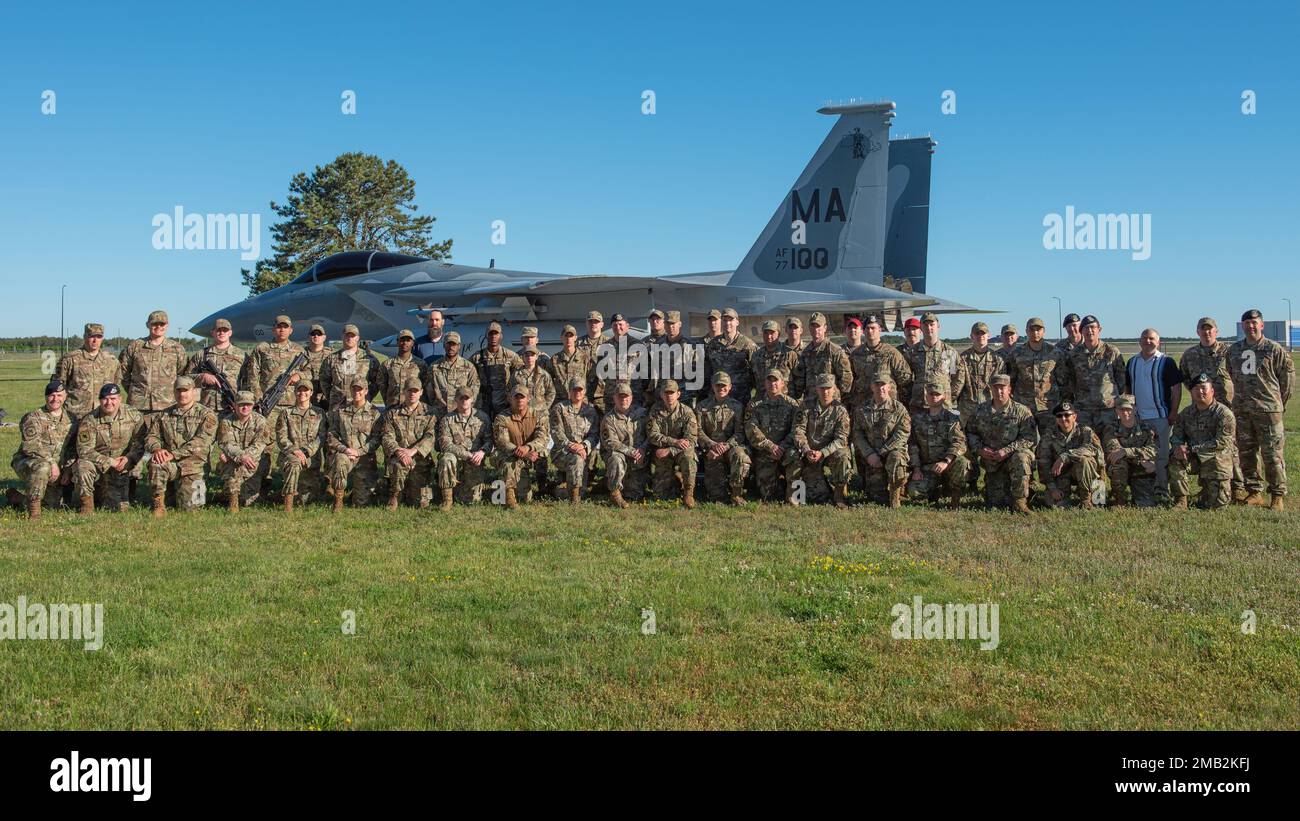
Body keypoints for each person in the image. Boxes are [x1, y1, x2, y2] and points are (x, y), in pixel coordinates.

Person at [1227, 308, 1293, 510]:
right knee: (1247, 454)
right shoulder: (1235, 350)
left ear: (1262, 325)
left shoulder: (1274, 349)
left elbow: (1287, 380)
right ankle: (1254, 491)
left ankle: (1277, 495)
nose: (1250, 326)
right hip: (1242, 410)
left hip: (1268, 411)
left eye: (1254, 323)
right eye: (1247, 323)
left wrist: (1276, 403)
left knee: (1272, 454)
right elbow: (1231, 374)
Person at [1179, 316, 1242, 499]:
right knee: (1205, 447)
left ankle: (1237, 487)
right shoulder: (1189, 355)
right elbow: (1186, 378)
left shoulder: (1229, 352)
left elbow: (1239, 376)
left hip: (1227, 408)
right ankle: (1208, 485)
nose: (1206, 333)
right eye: (1203, 329)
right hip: (1202, 410)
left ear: (1216, 331)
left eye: (1210, 329)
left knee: (1232, 447)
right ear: (1197, 332)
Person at [144, 376, 219, 517]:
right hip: (171, 464)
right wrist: (157, 449)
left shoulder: (207, 415)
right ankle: (158, 504)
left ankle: (179, 493)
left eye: (186, 390)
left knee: (191, 510)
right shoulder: (163, 415)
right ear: (173, 392)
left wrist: (173, 454)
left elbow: (201, 442)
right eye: (178, 391)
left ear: (193, 392)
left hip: (194, 467)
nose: (182, 394)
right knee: (156, 463)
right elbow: (151, 436)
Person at [1125, 327, 1183, 502]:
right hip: (1138, 419)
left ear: (1159, 342)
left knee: (1161, 455)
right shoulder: (1132, 362)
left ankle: (1162, 490)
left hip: (1159, 416)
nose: (1147, 341)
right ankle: (1142, 490)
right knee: (1140, 455)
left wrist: (1173, 412)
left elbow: (1176, 388)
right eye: (1144, 338)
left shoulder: (1166, 362)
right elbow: (1128, 389)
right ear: (1139, 341)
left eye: (1151, 338)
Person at [966, 374, 1037, 513]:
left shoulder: (1022, 411)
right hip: (992, 463)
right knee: (996, 503)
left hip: (1012, 459)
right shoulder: (980, 411)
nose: (999, 391)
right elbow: (970, 433)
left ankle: (1020, 502)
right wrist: (980, 450)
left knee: (1022, 457)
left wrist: (1007, 450)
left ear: (1009, 389)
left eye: (1002, 388)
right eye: (995, 388)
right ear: (990, 389)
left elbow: (1029, 437)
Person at [74, 383, 147, 513]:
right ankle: (86, 505)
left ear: (120, 399)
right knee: (83, 465)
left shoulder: (134, 415)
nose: (109, 402)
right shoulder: (90, 420)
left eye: (113, 399)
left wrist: (129, 458)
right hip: (100, 465)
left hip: (123, 465)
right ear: (100, 400)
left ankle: (130, 494)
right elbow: (84, 450)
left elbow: (140, 442)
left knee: (116, 509)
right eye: (105, 399)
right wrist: (110, 462)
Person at [1169, 373, 1237, 510]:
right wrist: (1178, 446)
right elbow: (1176, 435)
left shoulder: (1224, 414)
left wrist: (1193, 448)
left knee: (1217, 506)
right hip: (1194, 457)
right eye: (1196, 389)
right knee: (1175, 457)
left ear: (1212, 391)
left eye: (1203, 388)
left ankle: (1208, 491)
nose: (1200, 392)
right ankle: (1181, 500)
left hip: (1217, 459)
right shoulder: (1186, 414)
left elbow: (1222, 442)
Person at [10, 379, 76, 518]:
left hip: (58, 467)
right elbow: (30, 446)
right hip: (28, 462)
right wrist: (52, 463)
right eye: (51, 395)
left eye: (59, 395)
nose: (55, 399)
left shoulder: (72, 419)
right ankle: (34, 512)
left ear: (65, 396)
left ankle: (18, 498)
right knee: (43, 467)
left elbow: (72, 448)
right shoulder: (34, 417)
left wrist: (68, 469)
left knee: (53, 505)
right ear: (46, 397)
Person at [957, 321, 1005, 491]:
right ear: (972, 336)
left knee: (990, 445)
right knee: (968, 447)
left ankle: (991, 482)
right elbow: (957, 384)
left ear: (988, 336)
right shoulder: (963, 358)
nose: (981, 336)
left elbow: (1001, 386)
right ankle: (971, 481)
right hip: (968, 410)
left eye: (983, 333)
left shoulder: (997, 359)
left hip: (989, 410)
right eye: (977, 334)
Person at [794, 373, 853, 508]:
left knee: (843, 455)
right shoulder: (806, 406)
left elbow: (841, 439)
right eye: (822, 388)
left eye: (828, 388)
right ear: (816, 389)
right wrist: (806, 449)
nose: (825, 392)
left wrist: (823, 452)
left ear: (834, 389)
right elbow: (798, 431)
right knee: (816, 496)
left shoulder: (840, 410)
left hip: (829, 453)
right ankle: (797, 490)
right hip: (810, 453)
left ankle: (839, 495)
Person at [907, 382, 969, 510]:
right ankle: (934, 490)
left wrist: (946, 461)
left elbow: (959, 442)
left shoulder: (952, 418)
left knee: (962, 463)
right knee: (915, 493)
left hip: (947, 465)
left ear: (944, 397)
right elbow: (912, 445)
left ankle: (954, 496)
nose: (934, 397)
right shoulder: (917, 419)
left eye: (937, 394)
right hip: (927, 467)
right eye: (931, 394)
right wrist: (917, 469)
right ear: (926, 397)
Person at [744, 369, 802, 503]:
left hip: (785, 449)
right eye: (769, 381)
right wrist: (770, 446)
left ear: (782, 383)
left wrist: (781, 446)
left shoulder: (792, 405)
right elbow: (751, 429)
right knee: (767, 495)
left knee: (795, 456)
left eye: (775, 381)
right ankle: (778, 484)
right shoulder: (755, 405)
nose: (772, 384)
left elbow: (797, 430)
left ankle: (794, 496)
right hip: (765, 451)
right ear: (764, 383)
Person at [852, 375, 911, 507]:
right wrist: (869, 454)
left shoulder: (899, 409)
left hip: (890, 453)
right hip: (872, 457)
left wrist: (882, 452)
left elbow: (902, 434)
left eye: (883, 385)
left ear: (889, 387)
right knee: (876, 497)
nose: (880, 388)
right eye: (877, 385)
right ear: (872, 387)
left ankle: (895, 495)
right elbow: (857, 434)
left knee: (897, 458)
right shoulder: (862, 409)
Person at [326, 376, 383, 511]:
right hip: (346, 455)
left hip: (365, 459)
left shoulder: (375, 413)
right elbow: (332, 435)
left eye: (360, 390)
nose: (357, 392)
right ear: (350, 391)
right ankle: (338, 499)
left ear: (366, 391)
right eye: (354, 389)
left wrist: (359, 452)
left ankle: (357, 493)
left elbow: (377, 439)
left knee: (361, 504)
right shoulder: (341, 411)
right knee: (339, 460)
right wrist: (345, 450)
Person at [120, 310, 189, 419]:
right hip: (138, 406)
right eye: (154, 324)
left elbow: (183, 375)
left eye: (162, 324)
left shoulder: (177, 349)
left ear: (167, 326)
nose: (158, 326)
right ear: (147, 325)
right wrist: (135, 391)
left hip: (167, 405)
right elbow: (123, 372)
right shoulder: (135, 346)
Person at [1061, 315, 1125, 431]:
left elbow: (1121, 381)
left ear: (1099, 329)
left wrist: (1112, 400)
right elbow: (1070, 381)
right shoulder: (1074, 355)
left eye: (1092, 327)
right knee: (1085, 445)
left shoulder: (1111, 352)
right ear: (1082, 331)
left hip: (1107, 411)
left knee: (1109, 444)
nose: (1089, 331)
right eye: (1086, 328)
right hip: (1083, 411)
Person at [381, 379, 438, 510]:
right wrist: (399, 452)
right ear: (403, 392)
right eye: (409, 390)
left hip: (420, 459)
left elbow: (431, 436)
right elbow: (386, 436)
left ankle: (409, 490)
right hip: (399, 458)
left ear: (421, 392)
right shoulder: (392, 413)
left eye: (415, 391)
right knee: (398, 465)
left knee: (420, 504)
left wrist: (413, 451)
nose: (412, 394)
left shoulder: (429, 413)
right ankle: (394, 496)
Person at [695, 372, 751, 505]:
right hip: (711, 449)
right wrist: (712, 445)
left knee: (740, 456)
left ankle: (736, 494)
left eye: (724, 386)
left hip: (731, 447)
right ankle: (719, 495)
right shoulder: (702, 407)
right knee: (716, 496)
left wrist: (726, 445)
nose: (721, 388)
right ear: (712, 386)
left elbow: (740, 432)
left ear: (730, 387)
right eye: (718, 385)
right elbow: (698, 431)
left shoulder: (737, 407)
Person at [1036, 402, 1105, 509]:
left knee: (1085, 460)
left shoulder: (1085, 431)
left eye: (1067, 415)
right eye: (1059, 416)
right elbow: (1043, 462)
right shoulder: (1049, 434)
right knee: (1055, 505)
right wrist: (1052, 488)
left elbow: (1092, 449)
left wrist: (1065, 456)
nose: (1063, 418)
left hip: (1089, 475)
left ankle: (1086, 499)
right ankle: (1066, 494)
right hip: (1062, 474)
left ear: (1074, 417)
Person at [492, 384, 550, 508]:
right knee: (509, 463)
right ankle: (509, 497)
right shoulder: (502, 418)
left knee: (543, 453)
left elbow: (543, 437)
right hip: (512, 455)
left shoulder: (539, 415)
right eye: (516, 397)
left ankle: (542, 487)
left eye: (522, 397)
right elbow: (502, 442)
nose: (519, 400)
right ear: (510, 399)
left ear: (528, 398)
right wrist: (521, 451)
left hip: (530, 453)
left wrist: (528, 448)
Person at [1006, 317, 1067, 434]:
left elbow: (1063, 382)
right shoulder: (1016, 354)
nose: (1035, 333)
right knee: (1025, 441)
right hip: (1024, 406)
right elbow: (1010, 380)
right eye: (1032, 329)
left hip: (1049, 406)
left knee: (1050, 441)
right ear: (1026, 331)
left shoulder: (1055, 353)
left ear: (1044, 331)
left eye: (1038, 329)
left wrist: (1063, 403)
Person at [436, 385, 493, 509]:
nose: (464, 401)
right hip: (456, 460)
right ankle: (447, 500)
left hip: (475, 462)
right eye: (461, 398)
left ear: (472, 400)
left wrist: (482, 452)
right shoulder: (447, 419)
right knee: (446, 459)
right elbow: (445, 445)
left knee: (472, 500)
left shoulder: (482, 418)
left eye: (467, 398)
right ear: (455, 400)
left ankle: (460, 490)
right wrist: (468, 455)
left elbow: (489, 441)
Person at [645, 379, 700, 507]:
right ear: (661, 394)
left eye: (672, 393)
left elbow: (691, 439)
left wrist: (671, 449)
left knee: (689, 459)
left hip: (681, 451)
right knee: (661, 494)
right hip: (661, 452)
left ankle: (688, 494)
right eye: (666, 393)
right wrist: (673, 442)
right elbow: (652, 435)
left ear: (678, 394)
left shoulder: (687, 412)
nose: (669, 396)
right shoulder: (655, 411)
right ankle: (676, 478)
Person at [216, 391, 273, 513]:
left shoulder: (261, 421)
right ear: (235, 405)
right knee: (228, 462)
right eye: (241, 404)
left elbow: (259, 445)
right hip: (234, 463)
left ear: (253, 406)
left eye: (248, 404)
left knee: (249, 502)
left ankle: (236, 494)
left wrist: (244, 457)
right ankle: (232, 501)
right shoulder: (226, 422)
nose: (245, 407)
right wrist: (240, 456)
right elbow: (226, 443)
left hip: (254, 462)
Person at [243, 314, 308, 421]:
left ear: (291, 330)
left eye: (285, 327)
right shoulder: (262, 348)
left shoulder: (299, 350)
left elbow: (309, 371)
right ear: (273, 329)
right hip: (268, 403)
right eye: (279, 327)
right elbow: (252, 376)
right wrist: (259, 399)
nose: (282, 330)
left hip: (292, 403)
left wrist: (299, 375)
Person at [276, 380, 327, 511]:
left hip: (311, 459)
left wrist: (306, 452)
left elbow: (321, 437)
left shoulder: (319, 413)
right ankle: (288, 503)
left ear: (311, 393)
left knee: (307, 501)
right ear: (295, 392)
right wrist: (295, 451)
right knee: (294, 463)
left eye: (306, 390)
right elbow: (281, 437)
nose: (302, 393)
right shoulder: (285, 413)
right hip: (290, 457)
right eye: (299, 390)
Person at [846, 314, 911, 416]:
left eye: (873, 328)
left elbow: (905, 379)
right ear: (863, 331)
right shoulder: (856, 354)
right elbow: (849, 381)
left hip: (887, 409)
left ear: (880, 329)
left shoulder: (891, 353)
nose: (870, 331)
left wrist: (900, 404)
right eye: (867, 328)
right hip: (862, 409)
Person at [901, 311, 965, 414]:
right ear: (921, 328)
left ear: (938, 326)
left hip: (942, 405)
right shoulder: (912, 352)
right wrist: (913, 395)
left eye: (932, 325)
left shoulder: (949, 352)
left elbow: (958, 378)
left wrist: (947, 396)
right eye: (925, 325)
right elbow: (904, 378)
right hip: (919, 405)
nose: (929, 328)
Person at [550, 377, 600, 503]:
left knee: (584, 459)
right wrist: (571, 446)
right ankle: (574, 497)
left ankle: (564, 487)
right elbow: (557, 433)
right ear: (569, 391)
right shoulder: (559, 408)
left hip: (584, 451)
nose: (577, 393)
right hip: (562, 452)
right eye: (574, 390)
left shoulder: (591, 411)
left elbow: (594, 434)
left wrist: (583, 445)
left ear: (584, 392)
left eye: (580, 390)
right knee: (577, 459)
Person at [600, 382, 650, 508]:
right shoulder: (609, 419)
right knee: (616, 457)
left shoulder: (642, 414)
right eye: (620, 397)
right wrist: (632, 452)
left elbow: (651, 434)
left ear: (631, 397)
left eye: (626, 396)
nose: (624, 399)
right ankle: (615, 493)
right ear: (614, 398)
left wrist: (643, 449)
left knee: (635, 494)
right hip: (620, 456)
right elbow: (611, 443)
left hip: (640, 458)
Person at [1102, 395, 1158, 507]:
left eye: (1129, 409)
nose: (1125, 413)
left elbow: (1154, 449)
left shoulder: (1146, 427)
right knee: (1118, 463)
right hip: (1124, 468)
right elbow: (1114, 452)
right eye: (1122, 409)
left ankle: (1140, 493)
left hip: (1140, 469)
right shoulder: (1111, 428)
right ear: (1116, 411)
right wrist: (1140, 456)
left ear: (1135, 409)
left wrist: (1126, 452)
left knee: (1146, 505)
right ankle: (1119, 499)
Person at [57, 322, 122, 419]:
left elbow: (117, 385)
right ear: (84, 336)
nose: (95, 340)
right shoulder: (70, 359)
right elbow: (58, 386)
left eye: (99, 337)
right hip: (75, 415)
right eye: (92, 336)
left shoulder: (111, 361)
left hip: (102, 415)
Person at [187, 318, 247, 413]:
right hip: (207, 408)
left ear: (230, 333)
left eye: (225, 330)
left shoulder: (241, 355)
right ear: (212, 332)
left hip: (232, 408)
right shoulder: (202, 354)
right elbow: (186, 378)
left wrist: (243, 403)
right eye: (218, 330)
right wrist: (203, 377)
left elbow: (248, 381)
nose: (221, 333)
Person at [319, 324, 380, 411]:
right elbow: (324, 380)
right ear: (342, 337)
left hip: (360, 408)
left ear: (358, 338)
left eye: (353, 336)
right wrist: (333, 396)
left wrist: (366, 395)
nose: (350, 338)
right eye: (347, 335)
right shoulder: (331, 359)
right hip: (337, 407)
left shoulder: (368, 359)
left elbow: (377, 381)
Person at [704, 308, 757, 407]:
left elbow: (755, 373)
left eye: (730, 320)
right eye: (724, 320)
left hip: (740, 398)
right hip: (718, 399)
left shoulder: (747, 345)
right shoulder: (712, 344)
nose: (727, 323)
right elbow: (707, 372)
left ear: (737, 322)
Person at [796, 312, 852, 404]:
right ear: (809, 328)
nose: (815, 329)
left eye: (818, 326)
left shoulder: (834, 350)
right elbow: (801, 379)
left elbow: (846, 377)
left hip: (830, 403)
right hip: (811, 402)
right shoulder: (805, 352)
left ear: (825, 328)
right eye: (813, 326)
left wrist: (837, 395)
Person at [474, 322, 523, 421]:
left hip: (504, 402)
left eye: (496, 334)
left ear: (501, 336)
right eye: (490, 334)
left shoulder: (511, 356)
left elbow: (520, 377)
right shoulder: (477, 357)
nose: (493, 337)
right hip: (484, 402)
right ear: (486, 336)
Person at [424, 331, 480, 414]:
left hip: (460, 414)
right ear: (444, 345)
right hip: (439, 413)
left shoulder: (469, 367)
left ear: (459, 346)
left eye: (454, 344)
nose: (451, 347)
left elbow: (474, 390)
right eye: (448, 344)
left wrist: (465, 408)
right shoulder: (434, 367)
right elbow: (428, 392)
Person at [750, 321, 801, 407]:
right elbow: (753, 381)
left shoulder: (789, 354)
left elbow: (800, 383)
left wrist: (797, 403)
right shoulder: (756, 356)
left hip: (786, 405)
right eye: (766, 333)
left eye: (772, 333)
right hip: (763, 406)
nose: (769, 336)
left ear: (779, 334)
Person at [375, 329, 430, 408]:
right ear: (397, 342)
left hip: (413, 409)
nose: (405, 343)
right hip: (392, 408)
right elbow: (382, 385)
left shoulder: (420, 364)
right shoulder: (387, 364)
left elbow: (425, 386)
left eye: (408, 340)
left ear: (412, 343)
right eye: (402, 340)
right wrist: (389, 400)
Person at [546, 325, 590, 408]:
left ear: (575, 338)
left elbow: (591, 379)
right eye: (566, 336)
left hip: (581, 402)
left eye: (571, 336)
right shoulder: (555, 359)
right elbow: (548, 382)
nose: (568, 339)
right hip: (561, 403)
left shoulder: (584, 357)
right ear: (561, 338)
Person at [577, 312, 609, 409]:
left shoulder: (609, 343)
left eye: (596, 321)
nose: (593, 324)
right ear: (586, 323)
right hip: (582, 393)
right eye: (590, 321)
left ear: (602, 324)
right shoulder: (577, 343)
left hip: (602, 393)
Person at [302, 324, 330, 408]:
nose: (316, 336)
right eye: (313, 334)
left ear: (324, 337)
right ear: (308, 337)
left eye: (319, 334)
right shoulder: (300, 355)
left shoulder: (331, 356)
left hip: (326, 400)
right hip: (305, 400)